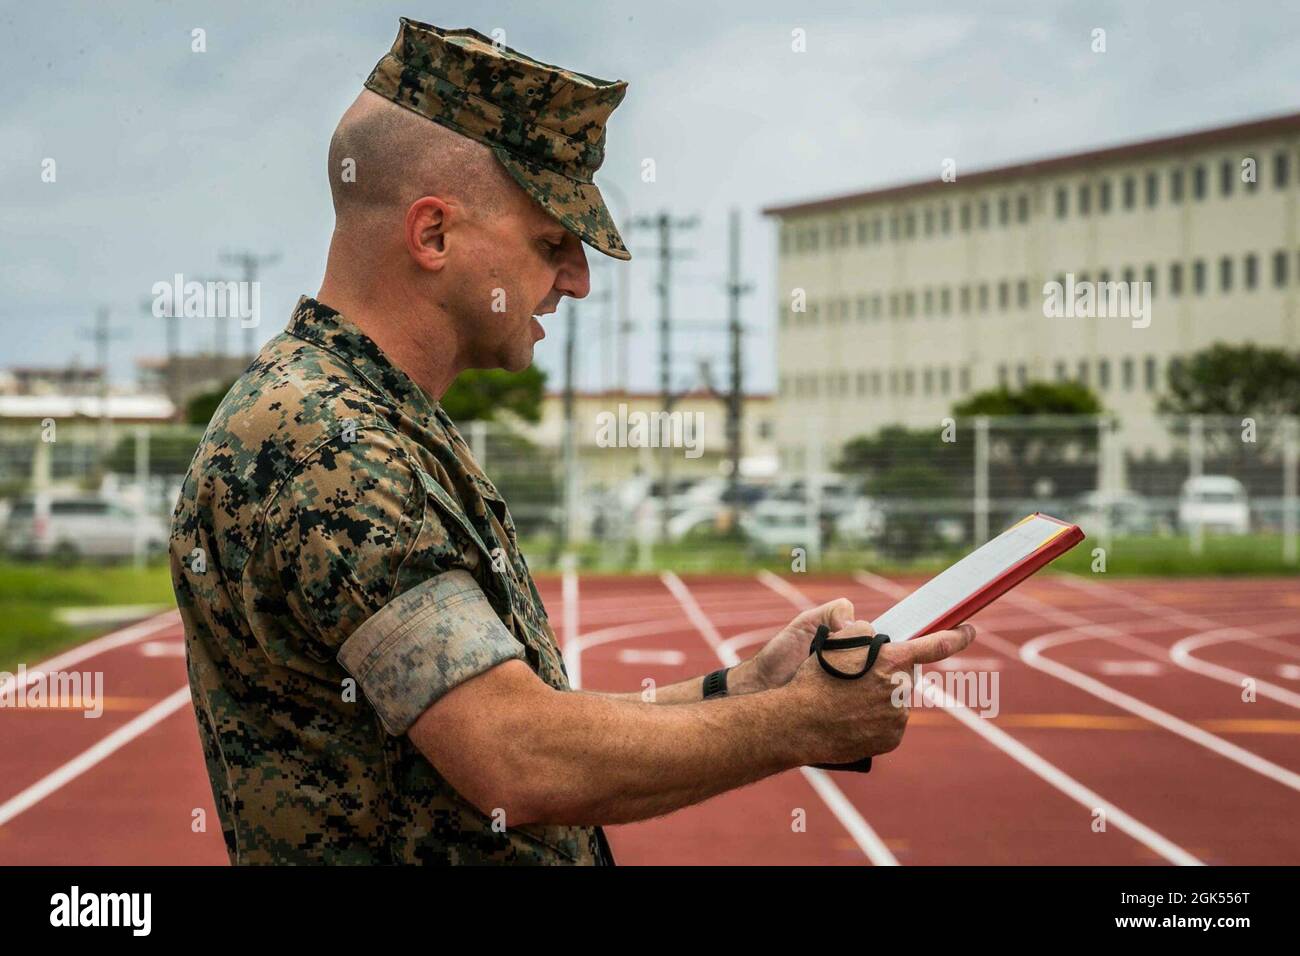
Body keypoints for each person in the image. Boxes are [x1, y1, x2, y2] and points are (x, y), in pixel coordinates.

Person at [170, 18, 976, 865]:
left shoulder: (359, 420)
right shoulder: (326, 448)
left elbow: (524, 721)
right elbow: (515, 757)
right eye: (552, 242)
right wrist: (795, 723)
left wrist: (743, 690)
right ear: (434, 235)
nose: (579, 280)